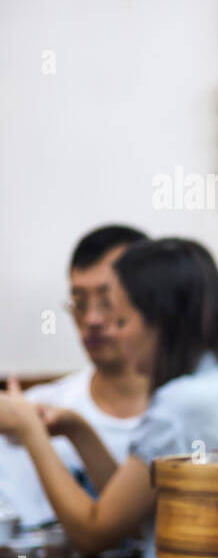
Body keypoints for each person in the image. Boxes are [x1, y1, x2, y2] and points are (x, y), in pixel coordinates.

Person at [0, 238, 218, 558]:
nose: (110, 330)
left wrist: (29, 431)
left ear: (160, 321)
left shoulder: (183, 404)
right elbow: (130, 517)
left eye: (121, 319)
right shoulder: (212, 385)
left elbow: (93, 533)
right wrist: (78, 430)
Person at [0, 225, 150, 526]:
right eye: (79, 303)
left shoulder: (175, 414)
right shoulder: (33, 408)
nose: (92, 320)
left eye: (108, 302)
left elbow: (117, 526)